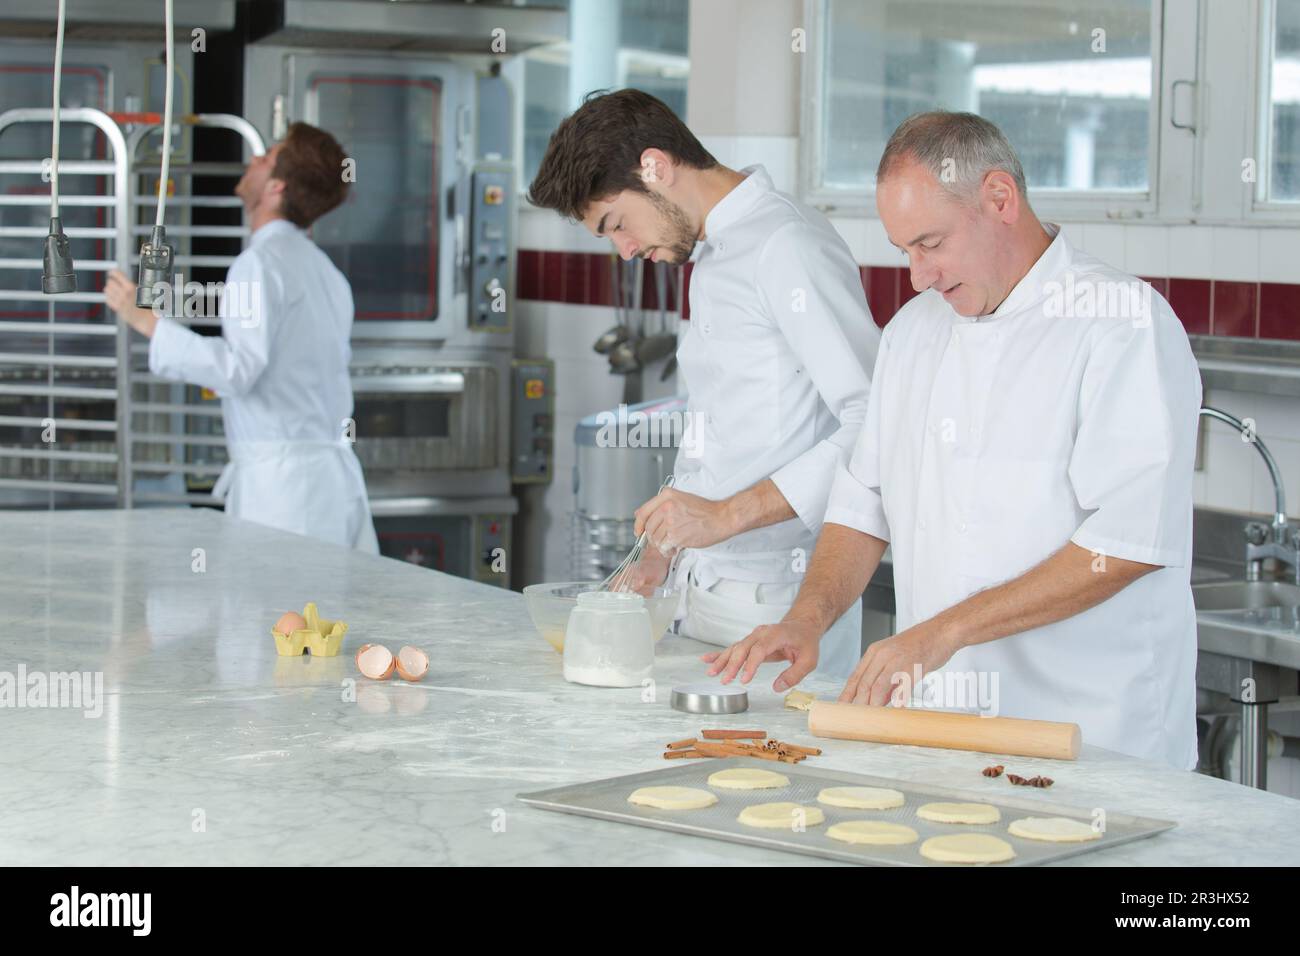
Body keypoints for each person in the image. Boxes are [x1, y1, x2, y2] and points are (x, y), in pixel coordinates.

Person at [705, 111, 1201, 769]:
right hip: (945, 734)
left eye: (930, 243)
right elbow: (862, 506)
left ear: (1000, 199)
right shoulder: (913, 332)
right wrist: (807, 618)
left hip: (1097, 736)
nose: (917, 276)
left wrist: (941, 633)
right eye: (904, 249)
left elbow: (1127, 546)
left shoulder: (1121, 327)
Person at [528, 89, 880, 677]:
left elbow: (875, 419)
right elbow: (724, 430)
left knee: (772, 769)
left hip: (778, 604)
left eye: (616, 224)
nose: (626, 249)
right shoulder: (711, 252)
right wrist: (659, 552)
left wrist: (729, 515)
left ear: (656, 167)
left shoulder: (786, 245)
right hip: (701, 595)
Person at [106, 122, 378, 553]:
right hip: (325, 488)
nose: (252, 159)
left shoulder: (260, 265)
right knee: (320, 619)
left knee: (281, 619)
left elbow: (238, 370)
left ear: (276, 187)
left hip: (287, 498)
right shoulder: (326, 272)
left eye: (266, 157)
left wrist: (147, 323)